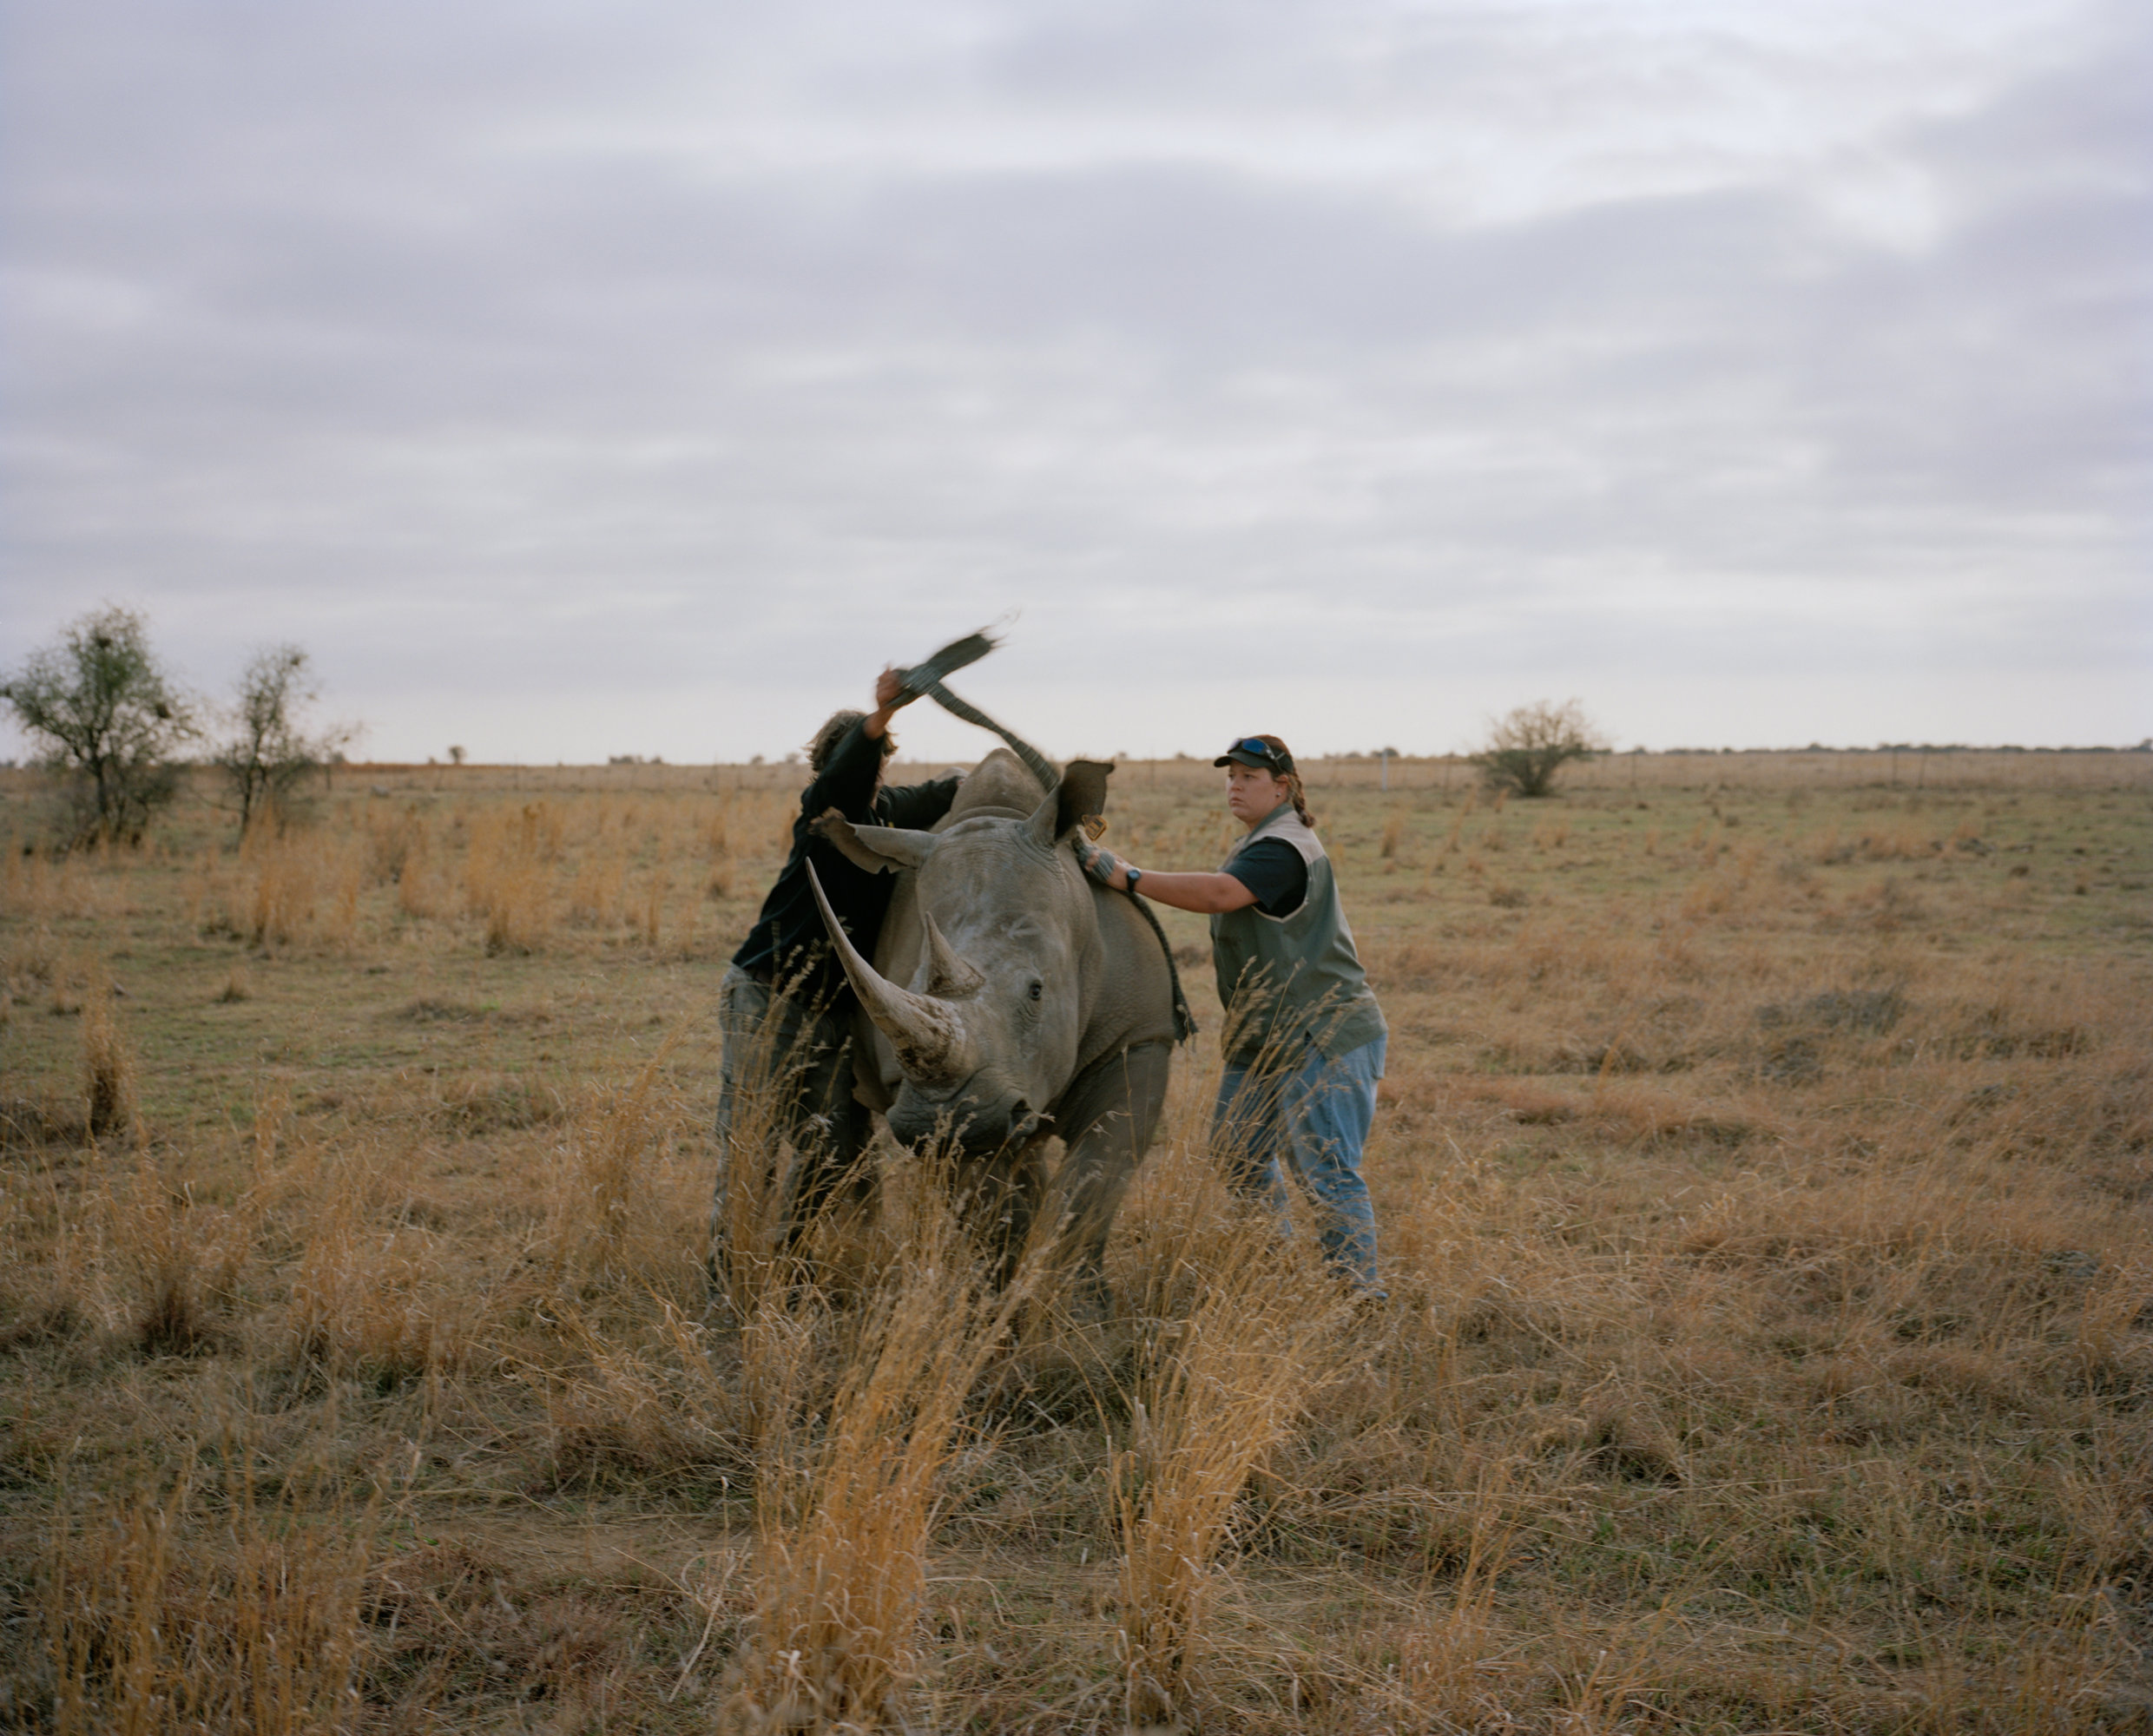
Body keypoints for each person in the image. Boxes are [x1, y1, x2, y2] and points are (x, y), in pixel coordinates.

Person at [1075, 734, 1389, 1296]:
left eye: (1248, 776)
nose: (1235, 786)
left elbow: (1221, 895)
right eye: (1231, 776)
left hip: (1323, 1033)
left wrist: (1130, 876)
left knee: (1326, 1171)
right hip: (1266, 1036)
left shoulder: (1282, 848)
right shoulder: (1263, 840)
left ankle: (1358, 1297)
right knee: (1238, 1150)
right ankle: (1274, 1256)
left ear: (1282, 786)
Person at [710, 667, 963, 1270]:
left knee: (840, 1144)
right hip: (765, 999)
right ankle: (727, 1280)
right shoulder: (824, 810)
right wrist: (880, 717)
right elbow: (849, 775)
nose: (877, 774)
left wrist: (1005, 782)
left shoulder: (885, 813)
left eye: (880, 764)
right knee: (751, 1144)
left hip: (831, 1015)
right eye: (869, 761)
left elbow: (949, 789)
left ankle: (788, 1260)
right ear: (833, 767)